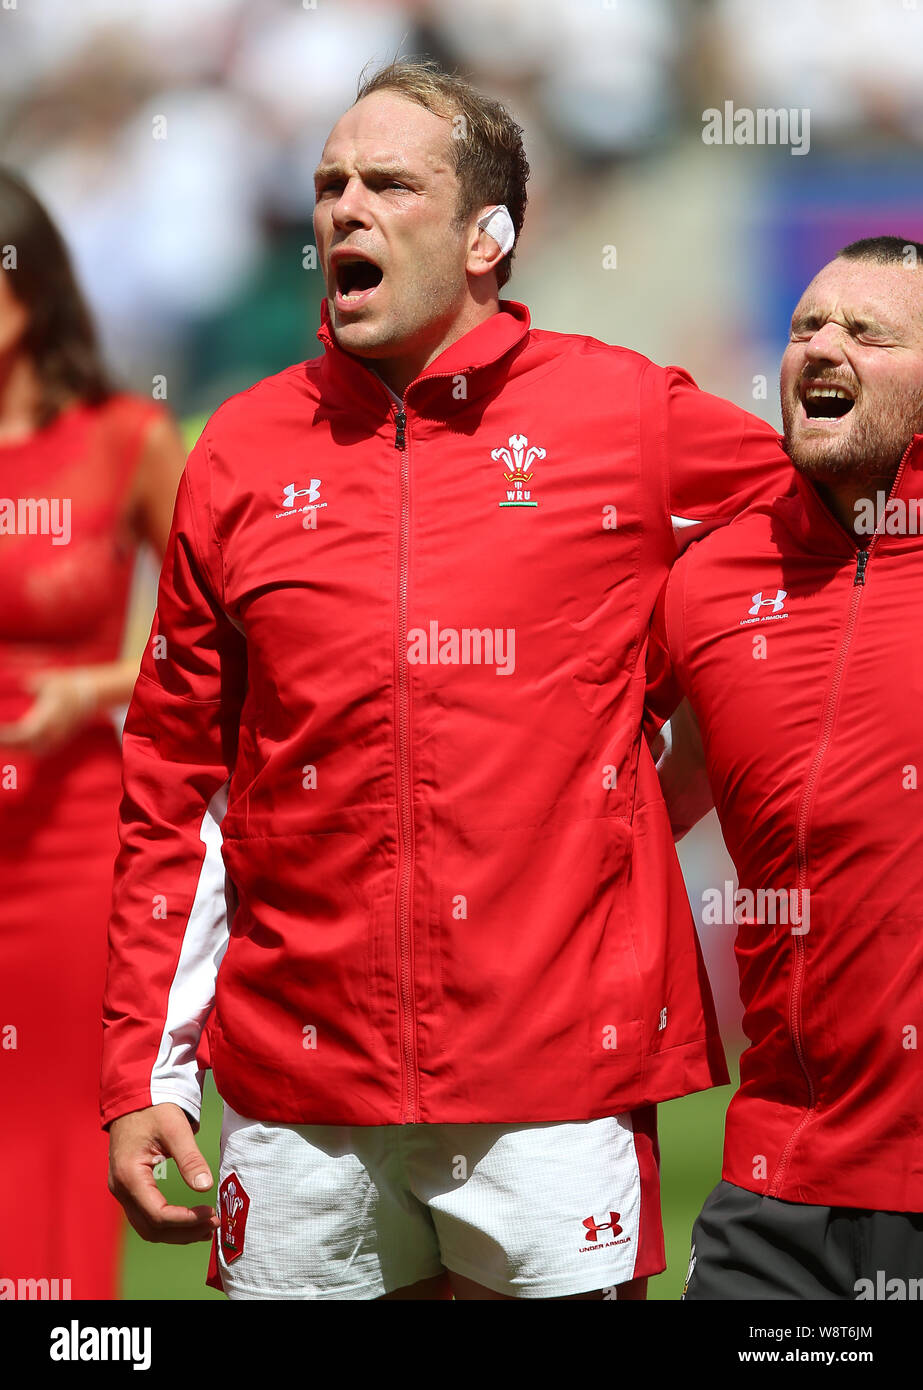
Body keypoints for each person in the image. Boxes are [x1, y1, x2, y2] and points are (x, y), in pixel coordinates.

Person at [102, 59, 793, 1302]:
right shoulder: (238, 452)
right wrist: (147, 1075)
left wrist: (680, 779)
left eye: (386, 183)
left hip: (552, 1076)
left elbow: (829, 536)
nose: (342, 211)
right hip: (297, 1090)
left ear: (490, 236)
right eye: (328, 185)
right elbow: (177, 780)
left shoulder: (627, 416)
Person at [647, 236, 923, 1300]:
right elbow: (626, 802)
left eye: (866, 332)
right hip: (777, 1192)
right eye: (806, 326)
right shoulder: (710, 578)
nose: (820, 347)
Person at [0, 167, 187, 1299]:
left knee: (60, 1131)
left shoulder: (124, 437)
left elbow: (208, 632)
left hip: (68, 843)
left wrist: (89, 687)